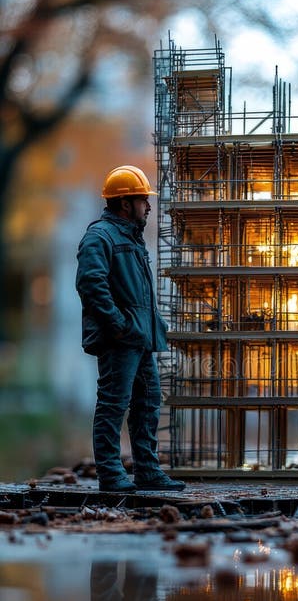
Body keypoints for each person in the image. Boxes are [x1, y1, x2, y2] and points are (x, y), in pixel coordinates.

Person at [76, 165, 185, 493]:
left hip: (139, 338)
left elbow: (135, 293)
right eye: (143, 200)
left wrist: (152, 326)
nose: (148, 206)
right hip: (120, 339)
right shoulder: (100, 237)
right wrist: (117, 324)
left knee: (148, 402)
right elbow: (90, 283)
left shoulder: (130, 239)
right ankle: (111, 476)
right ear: (125, 203)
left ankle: (148, 471)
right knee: (113, 403)